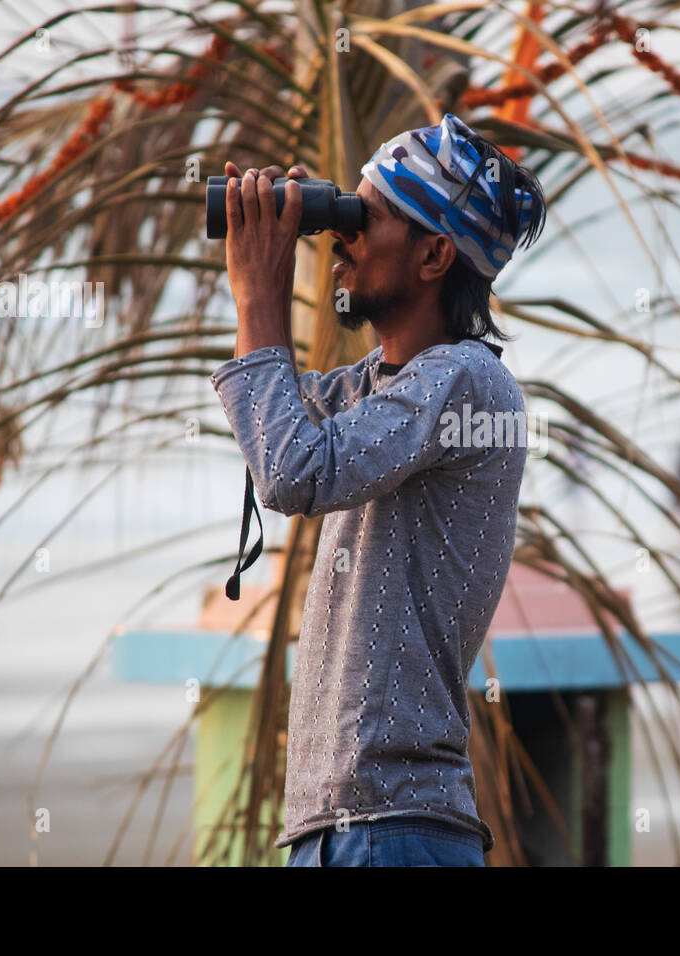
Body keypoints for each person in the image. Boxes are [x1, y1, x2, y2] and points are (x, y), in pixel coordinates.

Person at [210, 113, 546, 866]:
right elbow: (274, 425)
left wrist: (257, 293)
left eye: (367, 218)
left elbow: (292, 469)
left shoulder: (467, 382)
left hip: (396, 828)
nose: (342, 236)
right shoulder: (377, 389)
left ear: (435, 255)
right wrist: (272, 237)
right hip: (348, 827)